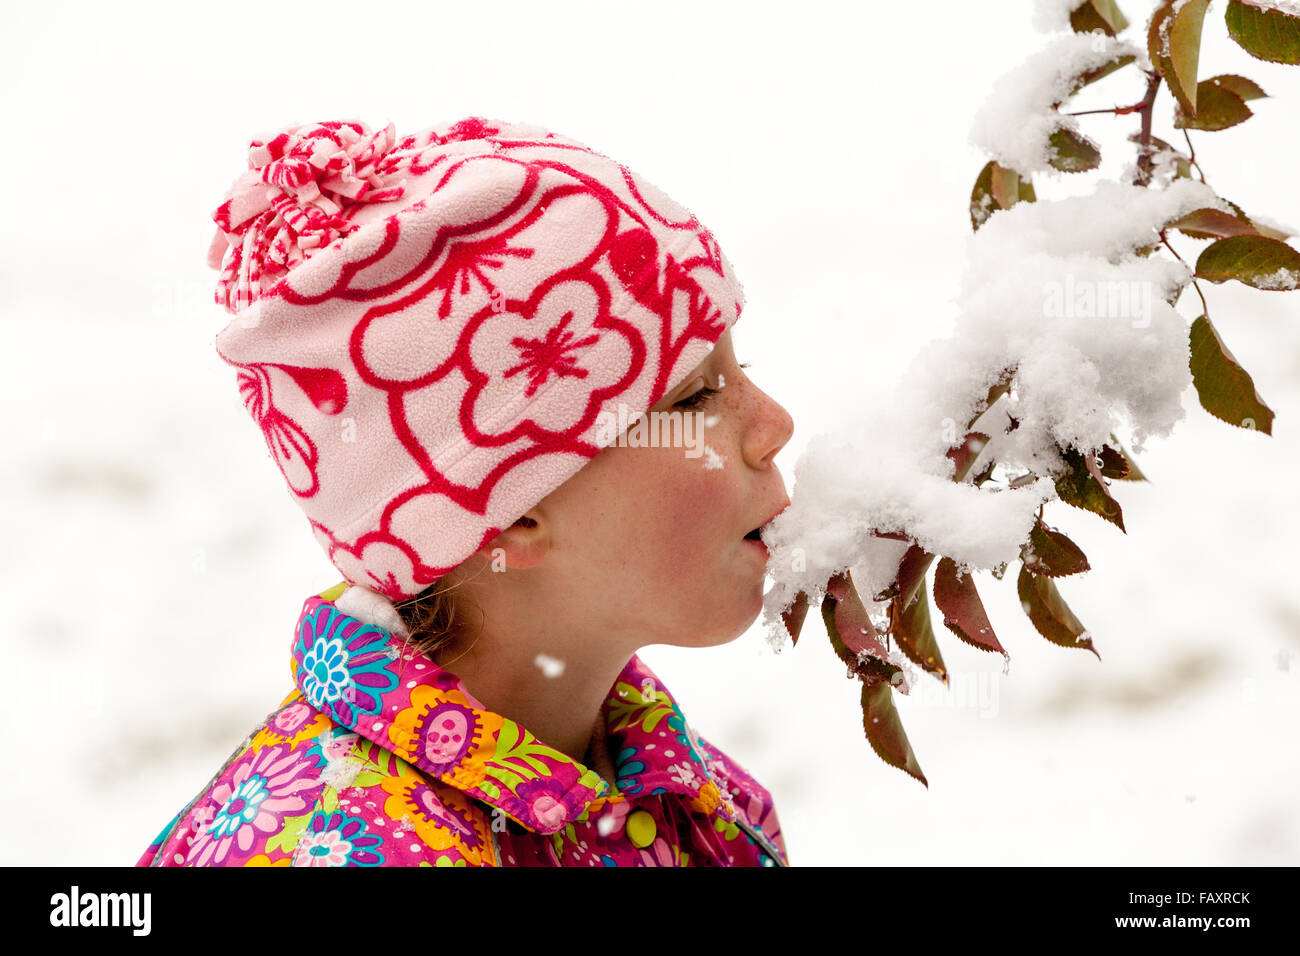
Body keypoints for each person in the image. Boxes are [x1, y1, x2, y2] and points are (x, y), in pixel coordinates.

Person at [137, 116, 795, 867]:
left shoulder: (707, 808)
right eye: (690, 401)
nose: (775, 422)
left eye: (742, 372)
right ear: (513, 510)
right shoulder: (341, 851)